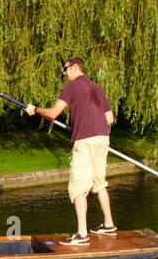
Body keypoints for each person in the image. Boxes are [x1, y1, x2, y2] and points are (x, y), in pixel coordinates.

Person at [27, 57, 117, 244]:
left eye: (65, 69)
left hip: (85, 140)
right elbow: (109, 119)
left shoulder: (72, 86)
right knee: (99, 182)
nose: (64, 73)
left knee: (78, 187)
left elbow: (52, 114)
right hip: (102, 138)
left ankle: (82, 234)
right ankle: (109, 225)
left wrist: (35, 109)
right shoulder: (96, 87)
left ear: (75, 67)